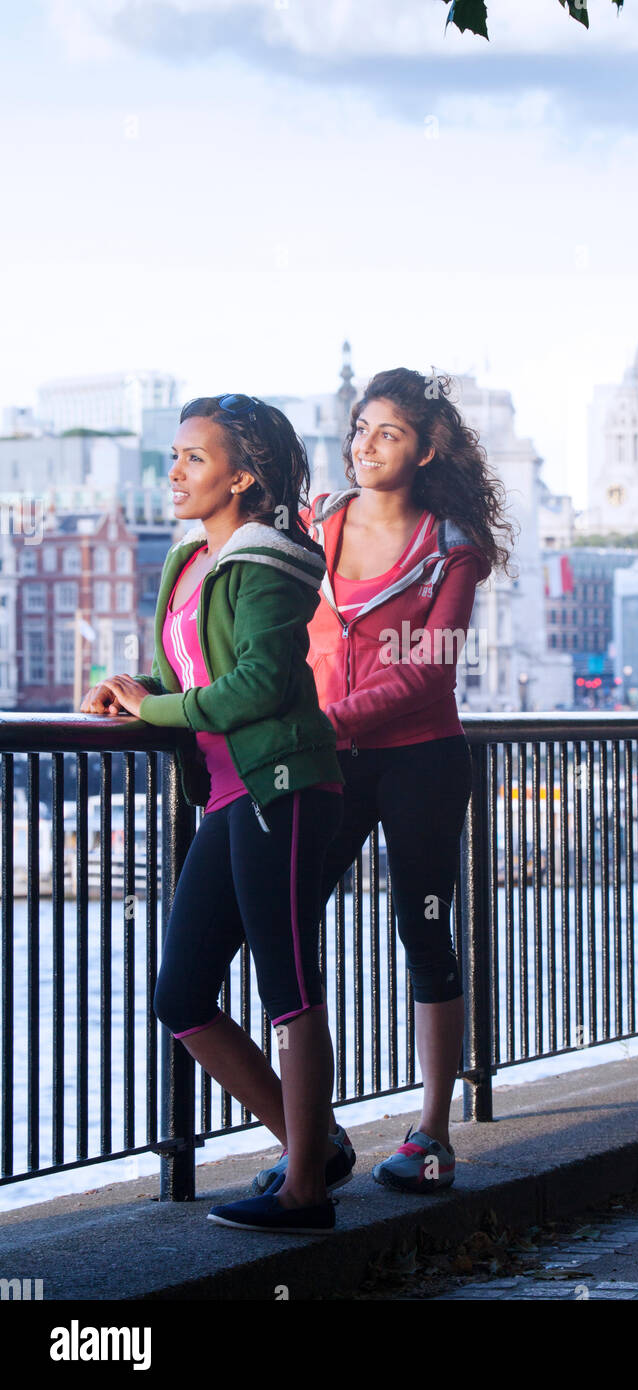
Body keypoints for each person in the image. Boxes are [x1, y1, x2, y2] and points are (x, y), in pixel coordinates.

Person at [80, 394, 351, 1234]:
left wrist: (154, 710)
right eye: (174, 456)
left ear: (243, 476)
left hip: (283, 786)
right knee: (181, 993)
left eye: (194, 459)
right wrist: (139, 697)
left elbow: (258, 688)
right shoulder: (191, 562)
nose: (175, 472)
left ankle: (304, 1193)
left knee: (289, 987)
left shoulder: (268, 566)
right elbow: (197, 678)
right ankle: (317, 1148)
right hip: (229, 792)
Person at [251, 367, 514, 1197]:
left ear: (427, 448)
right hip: (326, 762)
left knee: (422, 931)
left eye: (388, 433)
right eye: (360, 428)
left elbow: (431, 673)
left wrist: (329, 720)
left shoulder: (451, 548)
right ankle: (310, 1138)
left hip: (419, 763)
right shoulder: (314, 521)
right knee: (288, 929)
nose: (365, 446)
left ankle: (431, 1132)